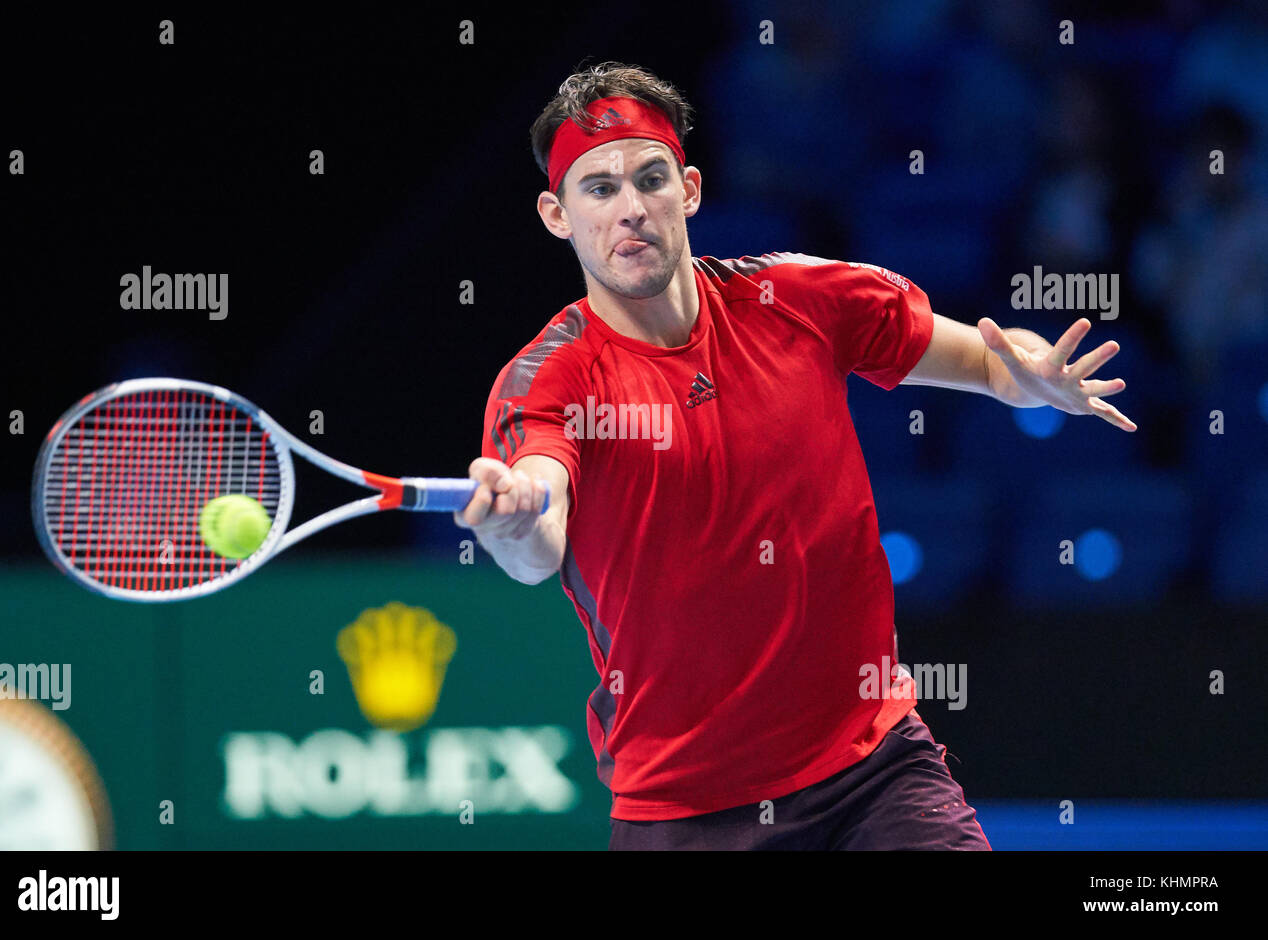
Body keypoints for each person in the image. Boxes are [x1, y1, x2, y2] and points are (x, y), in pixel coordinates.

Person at [454, 62, 1134, 850]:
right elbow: (539, 528)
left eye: (651, 179)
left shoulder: (798, 300)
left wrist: (1031, 371)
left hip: (874, 768)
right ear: (556, 215)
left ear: (692, 190)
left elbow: (987, 360)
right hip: (686, 807)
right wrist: (513, 520)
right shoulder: (552, 376)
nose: (632, 209)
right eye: (599, 189)